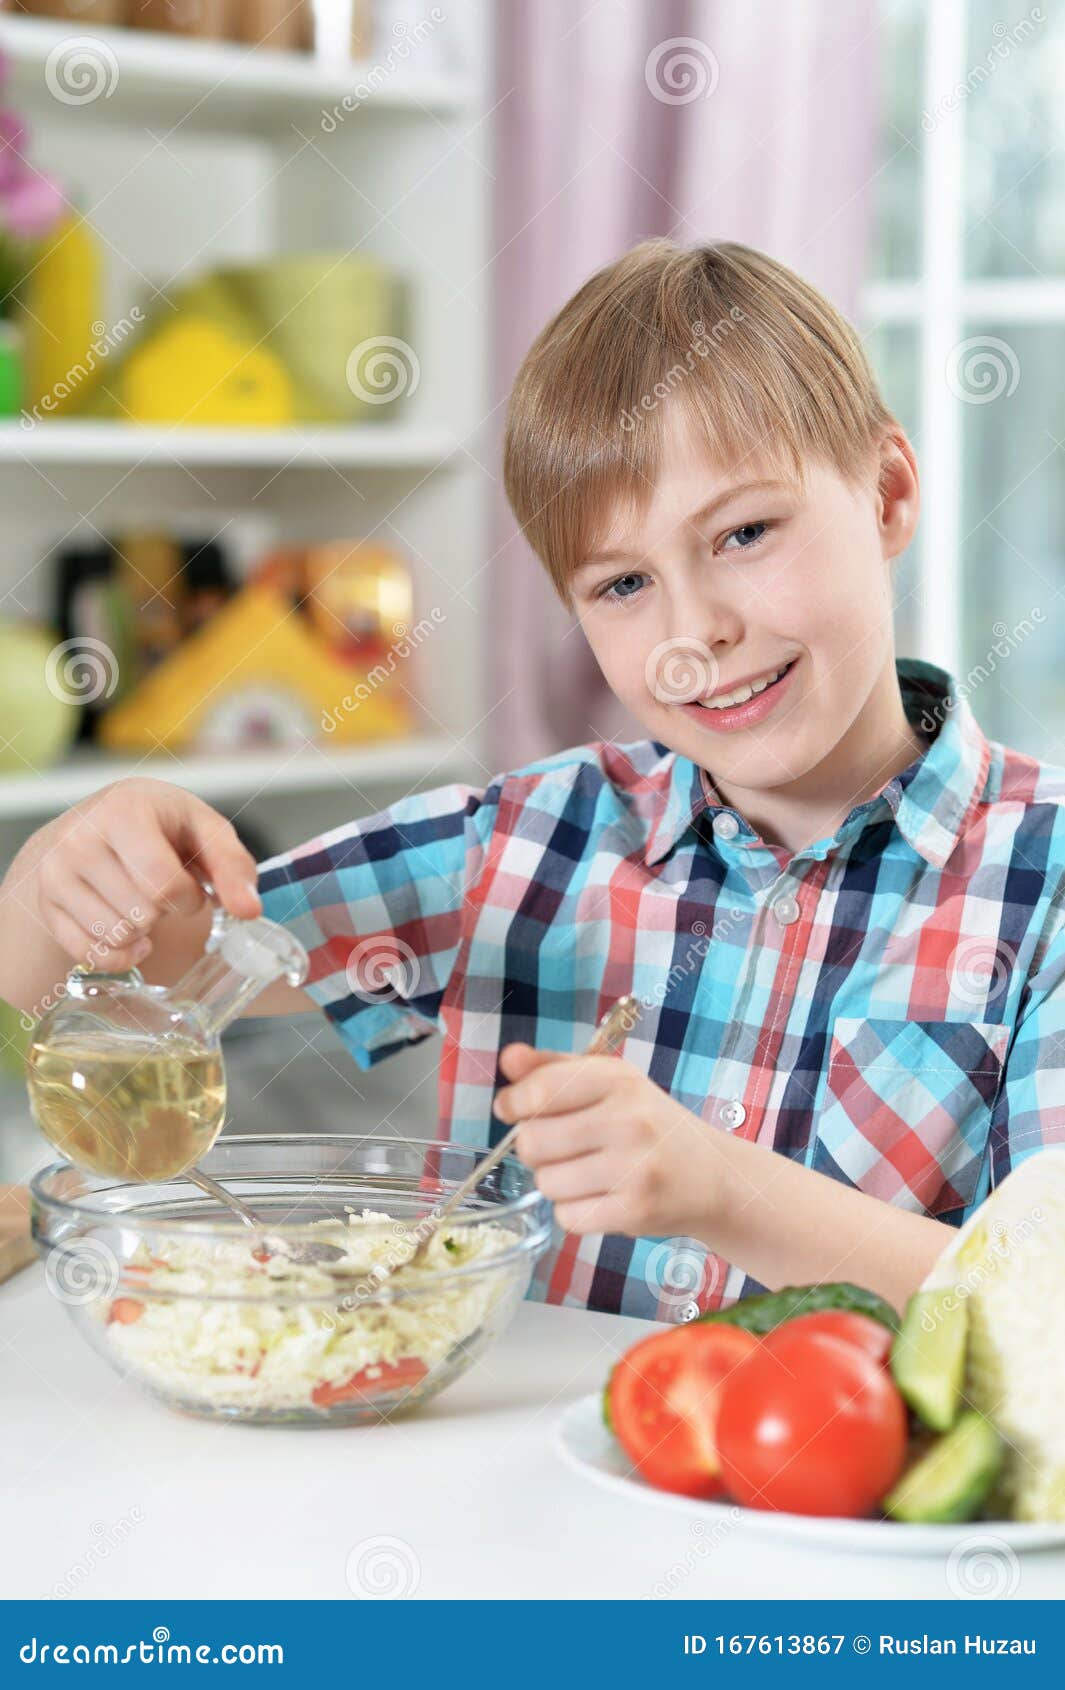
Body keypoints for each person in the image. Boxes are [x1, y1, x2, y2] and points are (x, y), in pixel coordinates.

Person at [4, 239, 1062, 1321]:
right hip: (510, 1484)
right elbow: (88, 979)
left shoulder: (1045, 883)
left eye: (745, 532)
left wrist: (725, 1190)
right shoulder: (524, 844)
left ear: (886, 494)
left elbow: (1047, 1309)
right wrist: (65, 872)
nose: (698, 631)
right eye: (622, 584)